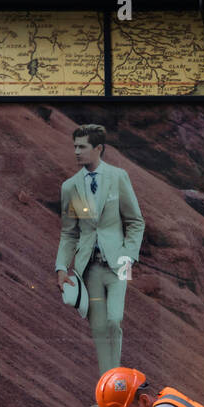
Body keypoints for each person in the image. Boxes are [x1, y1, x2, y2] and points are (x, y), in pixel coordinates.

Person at [55, 125, 145, 376]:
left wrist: (129, 255)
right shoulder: (70, 187)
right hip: (88, 267)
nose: (76, 151)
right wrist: (62, 267)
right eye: (75, 146)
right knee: (99, 327)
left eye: (82, 147)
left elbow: (136, 221)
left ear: (98, 149)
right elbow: (69, 232)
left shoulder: (118, 177)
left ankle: (113, 379)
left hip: (119, 264)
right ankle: (110, 385)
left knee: (114, 320)